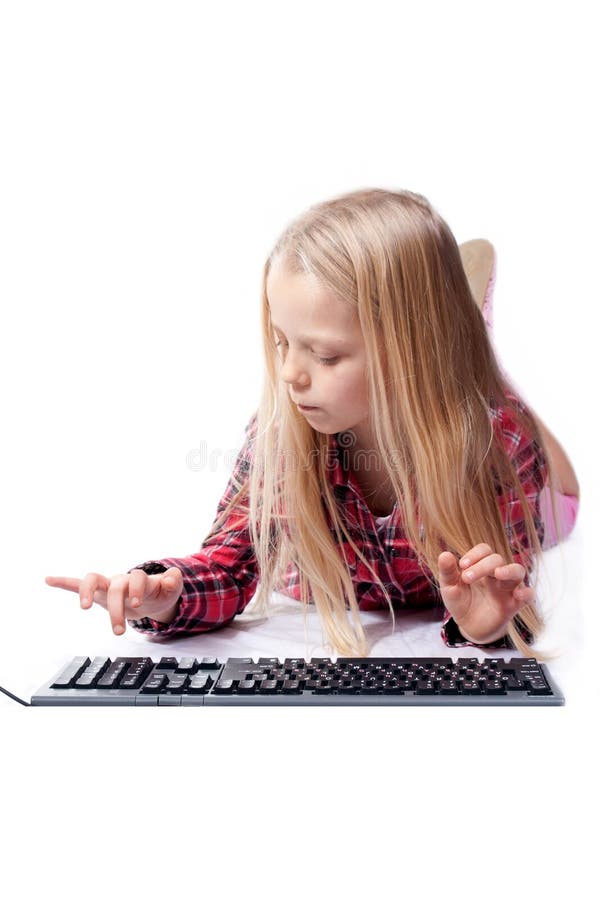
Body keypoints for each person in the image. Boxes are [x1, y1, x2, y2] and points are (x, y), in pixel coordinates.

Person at [45, 188, 580, 659]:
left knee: (547, 473)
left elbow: (509, 598)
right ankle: (460, 329)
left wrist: (484, 627)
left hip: (538, 487)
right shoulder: (283, 433)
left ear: (410, 353)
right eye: (281, 341)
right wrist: (167, 595)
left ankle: (474, 343)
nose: (289, 375)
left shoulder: (496, 442)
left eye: (324, 355)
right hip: (356, 547)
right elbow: (229, 567)